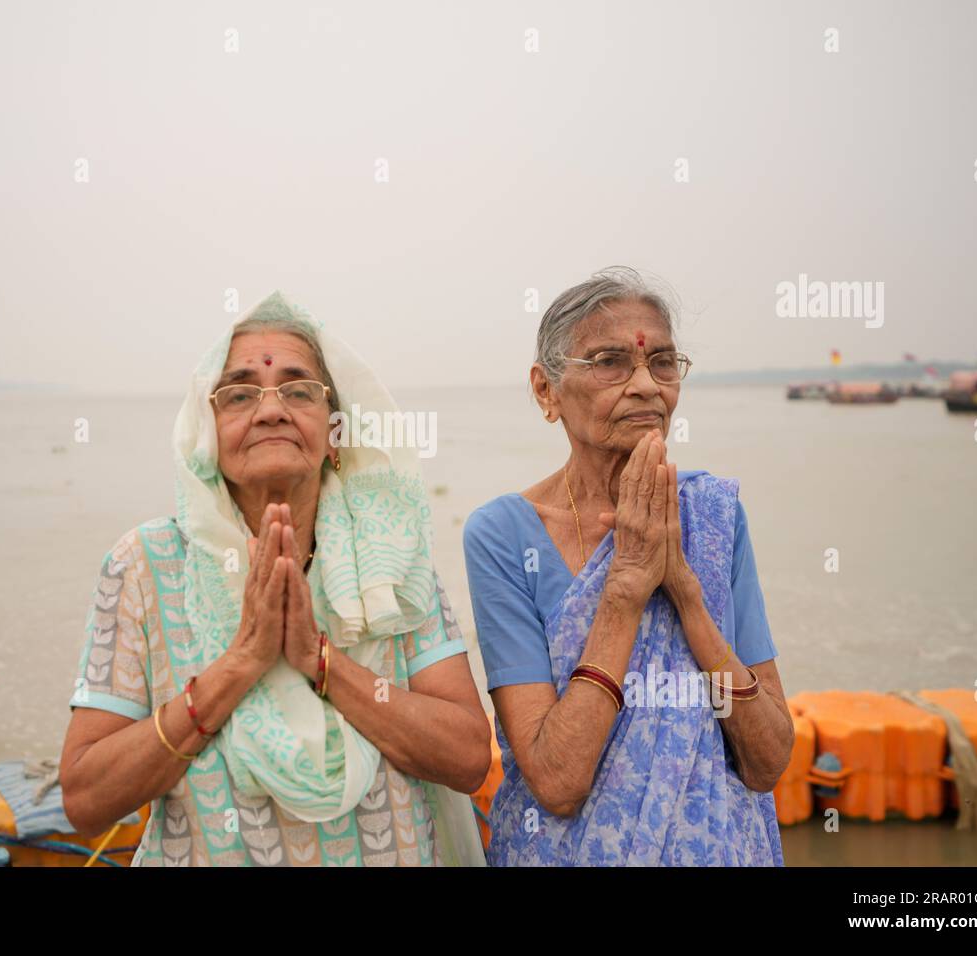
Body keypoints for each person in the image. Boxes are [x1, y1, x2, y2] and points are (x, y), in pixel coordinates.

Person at [59, 291, 489, 866]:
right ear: (207, 434)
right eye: (239, 394)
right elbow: (86, 798)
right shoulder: (145, 564)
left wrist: (321, 663)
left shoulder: (390, 560)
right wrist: (242, 662)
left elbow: (467, 756)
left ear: (334, 430)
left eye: (298, 389)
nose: (271, 410)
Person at [464, 267, 793, 865]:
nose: (646, 385)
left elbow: (767, 763)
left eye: (663, 363)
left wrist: (688, 597)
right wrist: (625, 592)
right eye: (611, 361)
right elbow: (558, 782)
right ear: (546, 391)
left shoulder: (713, 519)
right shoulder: (504, 535)